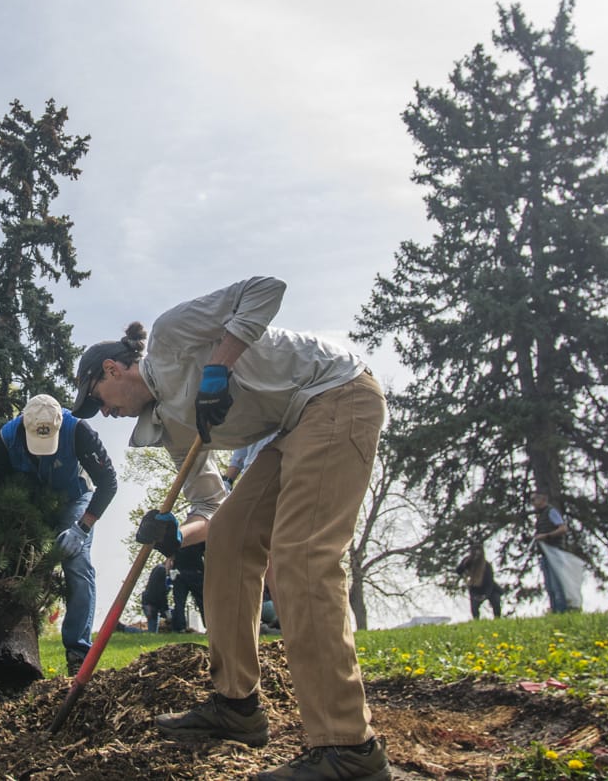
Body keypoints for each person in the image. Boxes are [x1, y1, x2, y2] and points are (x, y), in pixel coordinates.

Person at [71, 277, 391, 780]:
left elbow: (266, 289)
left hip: (336, 392)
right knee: (230, 542)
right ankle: (237, 706)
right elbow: (211, 508)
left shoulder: (173, 335)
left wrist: (219, 365)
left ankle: (348, 747)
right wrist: (178, 534)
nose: (106, 413)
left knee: (302, 555)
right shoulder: (174, 425)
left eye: (100, 399)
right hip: (293, 425)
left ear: (112, 369)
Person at [0, 393, 118, 676]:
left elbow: (108, 483)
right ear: (25, 426)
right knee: (13, 566)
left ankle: (78, 651)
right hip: (31, 503)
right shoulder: (8, 437)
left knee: (77, 562)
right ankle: (8, 644)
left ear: (58, 425)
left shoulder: (79, 431)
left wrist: (81, 528)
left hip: (74, 498)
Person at [531, 490, 569, 613]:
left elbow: (562, 528)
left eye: (534, 500)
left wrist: (546, 536)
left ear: (542, 500)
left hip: (555, 552)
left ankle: (562, 610)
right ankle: (554, 610)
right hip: (544, 554)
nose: (532, 503)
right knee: (549, 586)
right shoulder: (541, 516)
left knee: (557, 584)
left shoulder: (551, 512)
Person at [456, 546, 502, 619]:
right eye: (474, 554)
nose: (476, 556)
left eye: (478, 554)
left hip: (490, 589)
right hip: (475, 588)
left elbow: (489, 582)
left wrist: (485, 595)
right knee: (474, 607)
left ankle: (497, 619)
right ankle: (476, 621)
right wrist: (464, 564)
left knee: (496, 602)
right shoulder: (467, 562)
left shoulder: (486, 566)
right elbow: (458, 571)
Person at [170, 541, 205, 633]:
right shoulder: (199, 537)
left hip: (179, 572)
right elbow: (206, 553)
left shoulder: (179, 537)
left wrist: (169, 571)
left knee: (179, 602)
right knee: (202, 602)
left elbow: (171, 556)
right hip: (196, 571)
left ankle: (180, 628)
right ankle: (209, 625)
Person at [141, 562, 171, 633]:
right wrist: (166, 611)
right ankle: (124, 629)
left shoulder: (158, 568)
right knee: (152, 632)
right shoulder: (162, 570)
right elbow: (162, 593)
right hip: (151, 604)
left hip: (149, 602)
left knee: (153, 629)